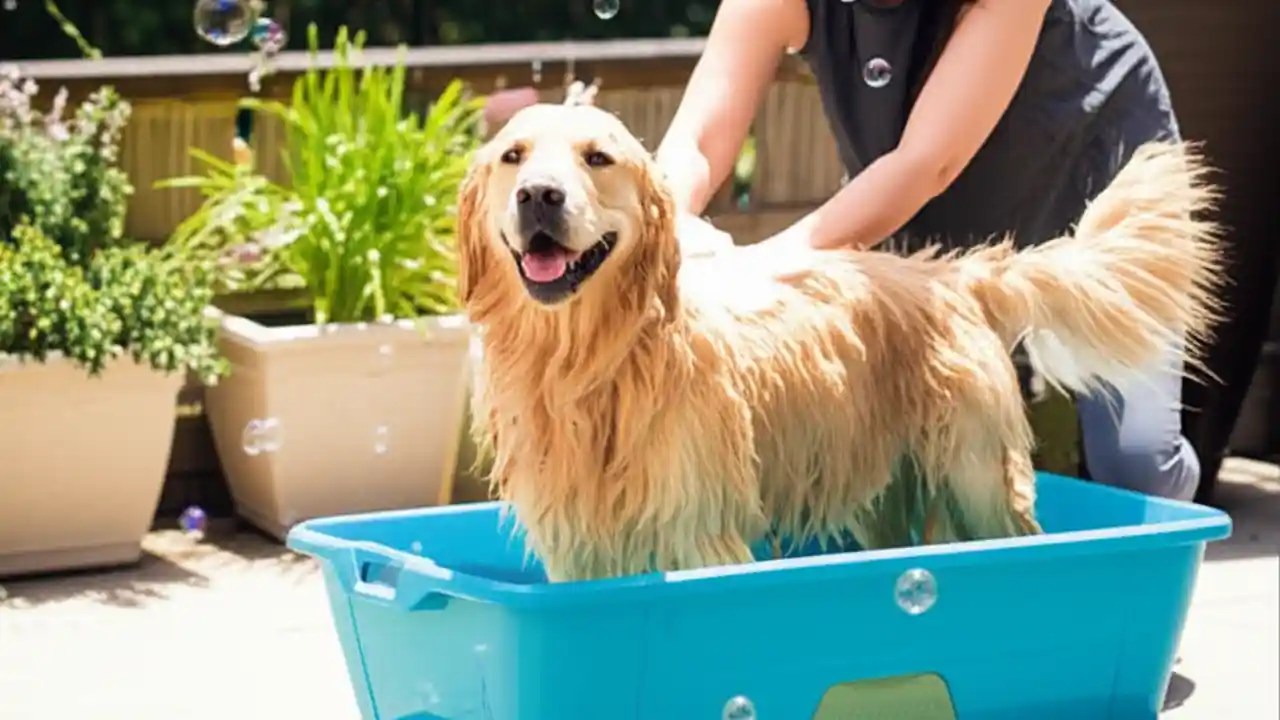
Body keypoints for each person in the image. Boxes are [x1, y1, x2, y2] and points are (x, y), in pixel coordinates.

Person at [656, 0, 1202, 501]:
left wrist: (755, 268)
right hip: (928, 214)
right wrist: (667, 227)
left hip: (1095, 174)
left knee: (1137, 465)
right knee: (901, 468)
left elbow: (927, 163)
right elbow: (700, 138)